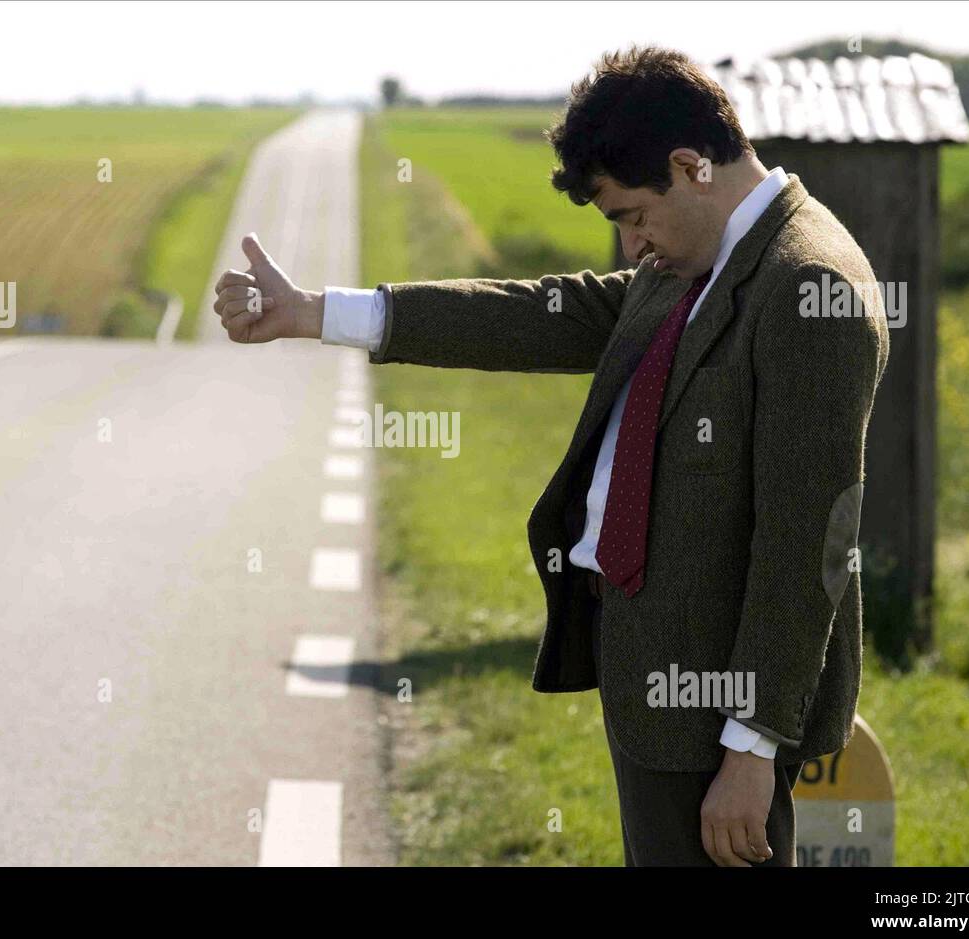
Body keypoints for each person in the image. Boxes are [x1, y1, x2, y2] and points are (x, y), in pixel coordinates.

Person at [214, 45, 889, 866]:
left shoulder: (808, 288)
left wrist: (752, 750)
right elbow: (540, 315)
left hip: (719, 711)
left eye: (634, 215)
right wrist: (317, 313)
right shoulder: (698, 253)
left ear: (691, 166)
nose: (634, 243)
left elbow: (806, 546)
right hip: (655, 678)